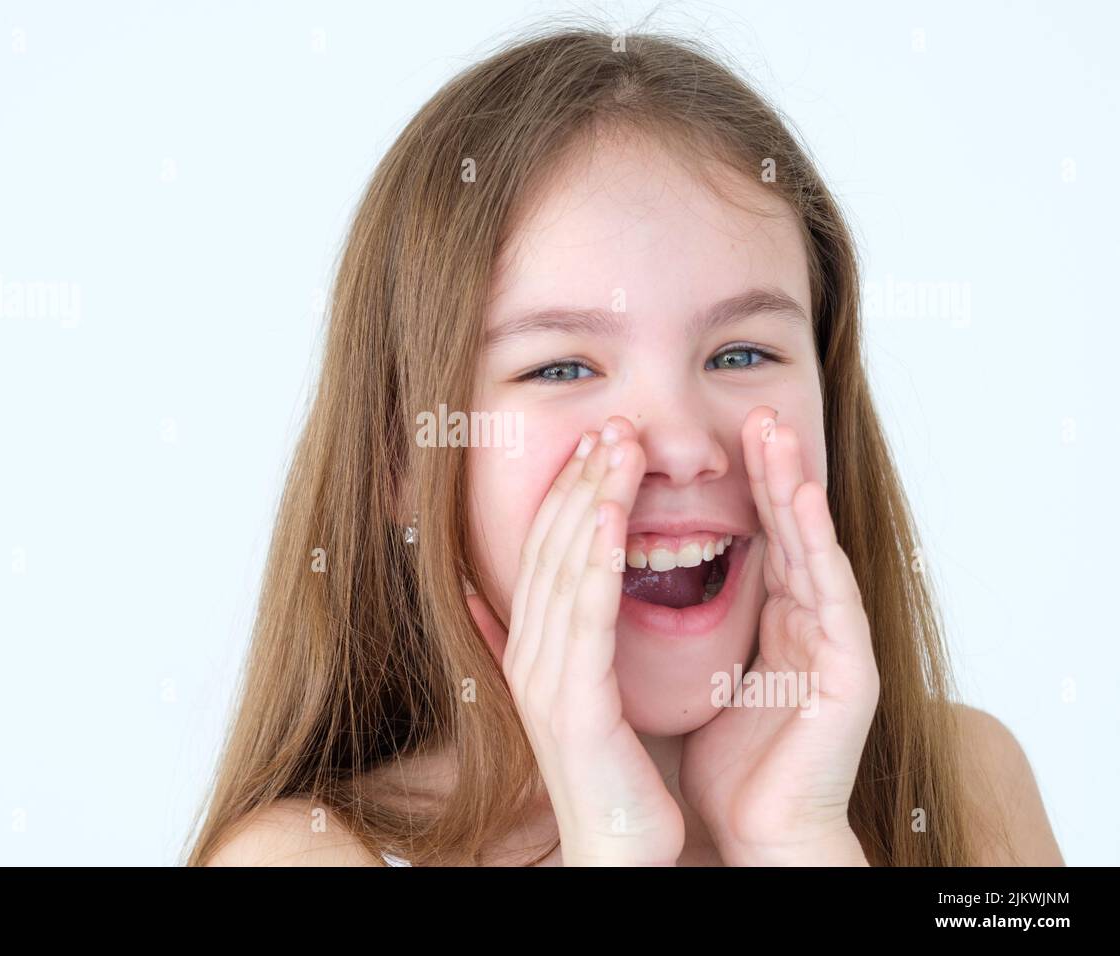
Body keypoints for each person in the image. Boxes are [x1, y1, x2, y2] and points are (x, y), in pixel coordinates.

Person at [186, 22, 1063, 867]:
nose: (679, 446)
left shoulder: (971, 785)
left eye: (742, 353)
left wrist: (798, 845)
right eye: (563, 368)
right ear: (403, 462)